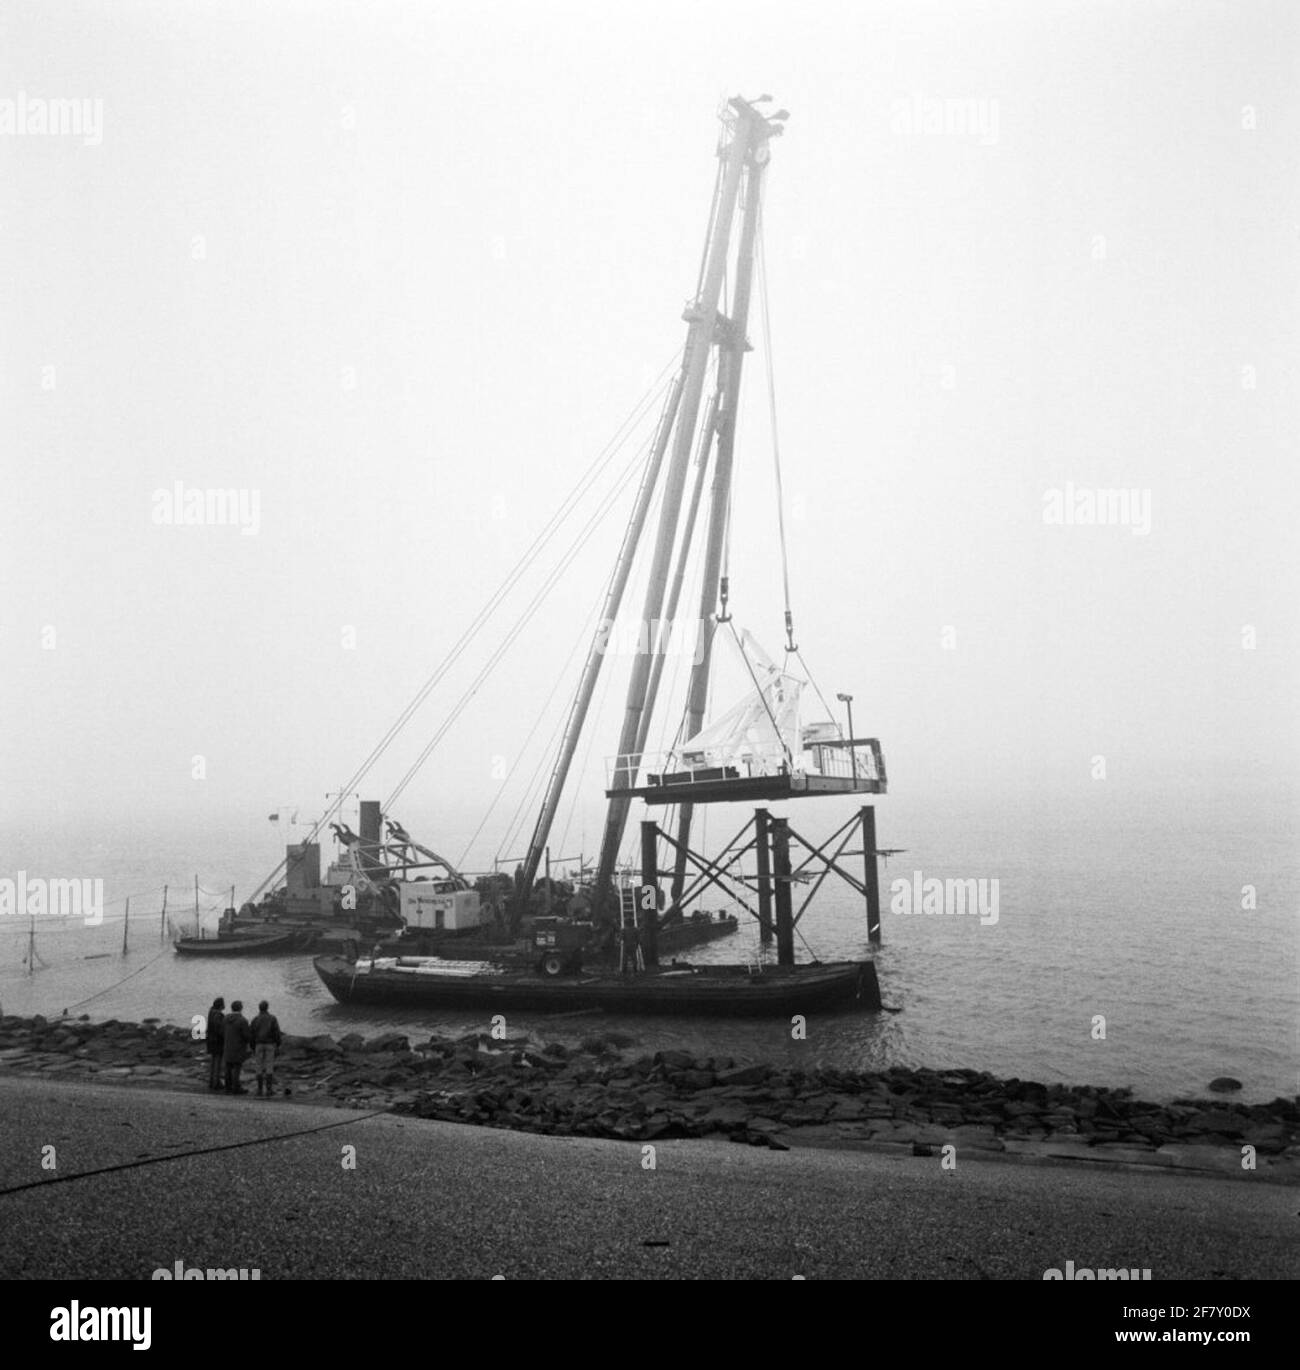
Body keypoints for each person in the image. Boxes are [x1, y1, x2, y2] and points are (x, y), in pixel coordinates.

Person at [249, 999, 282, 1097]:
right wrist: (278, 1043)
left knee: (259, 1066)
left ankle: (259, 1090)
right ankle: (268, 1089)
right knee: (269, 1066)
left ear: (259, 1008)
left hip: (258, 1044)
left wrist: (252, 1046)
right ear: (267, 1008)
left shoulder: (255, 1019)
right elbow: (276, 1032)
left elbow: (252, 1034)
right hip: (270, 1044)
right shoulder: (272, 1018)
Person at [222, 1000, 252, 1094]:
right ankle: (236, 1088)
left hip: (227, 1045)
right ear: (240, 1008)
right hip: (238, 1047)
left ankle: (227, 1087)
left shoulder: (226, 1018)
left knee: (228, 1067)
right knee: (237, 1068)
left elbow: (222, 1031)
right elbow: (246, 1035)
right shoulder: (242, 1020)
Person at [205, 997, 226, 1090]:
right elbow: (219, 1028)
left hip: (211, 1040)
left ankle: (212, 1081)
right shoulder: (218, 1015)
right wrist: (224, 1036)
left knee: (214, 1061)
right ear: (221, 1005)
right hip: (217, 1041)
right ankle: (215, 1082)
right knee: (217, 1062)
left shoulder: (211, 1013)